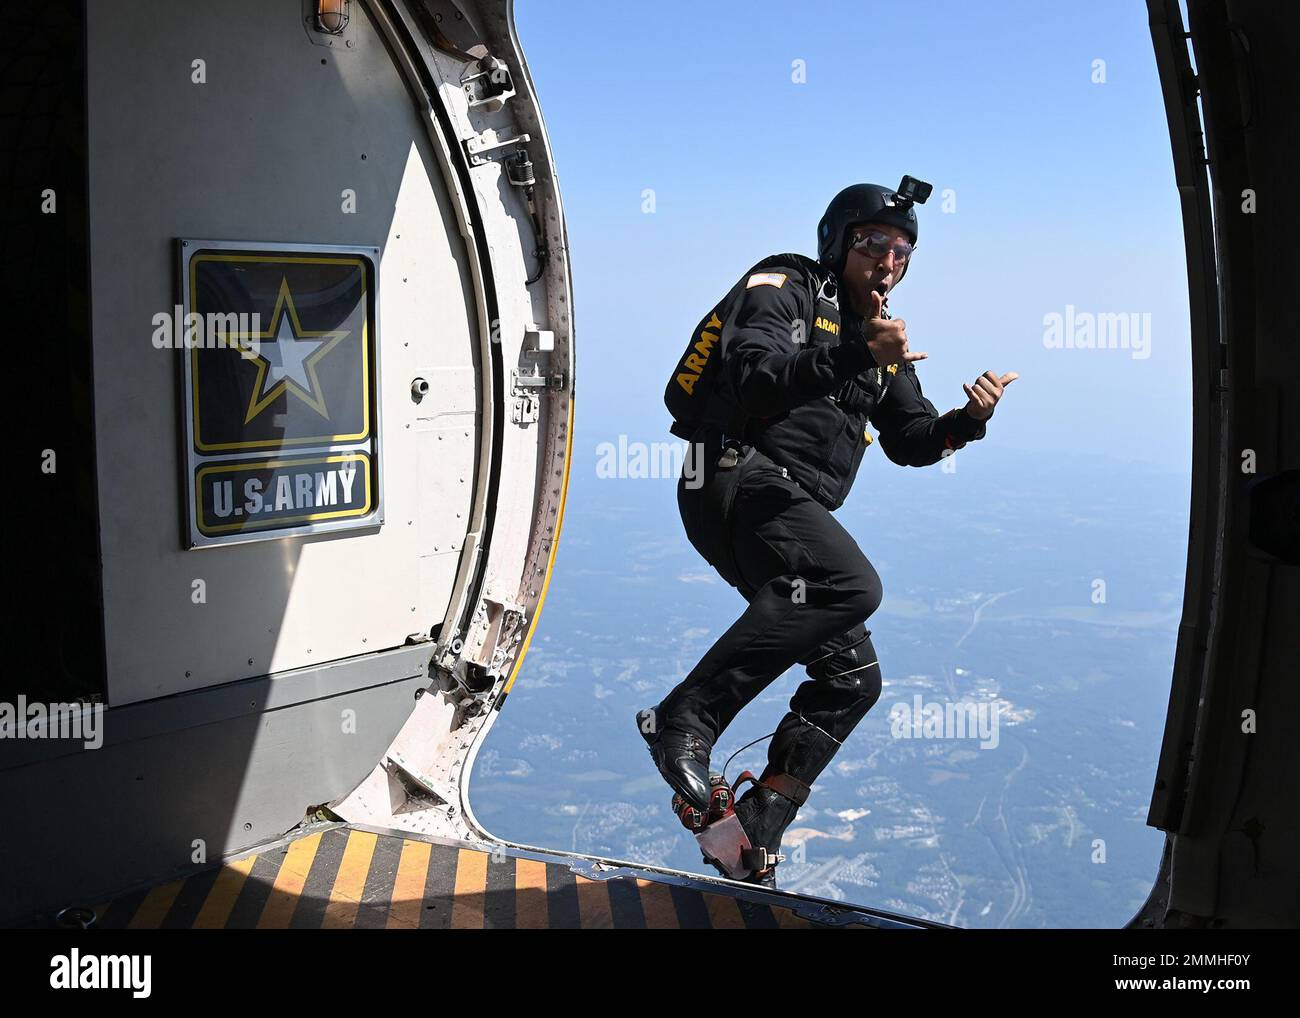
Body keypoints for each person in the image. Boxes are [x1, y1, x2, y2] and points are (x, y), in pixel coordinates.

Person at [639, 179, 1018, 886]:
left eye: (903, 251)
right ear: (839, 240)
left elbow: (909, 439)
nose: (889, 260)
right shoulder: (785, 283)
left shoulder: (883, 336)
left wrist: (970, 421)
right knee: (853, 585)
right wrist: (858, 356)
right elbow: (753, 378)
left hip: (778, 504)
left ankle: (758, 827)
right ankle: (684, 719)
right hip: (730, 474)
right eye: (874, 243)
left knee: (853, 680)